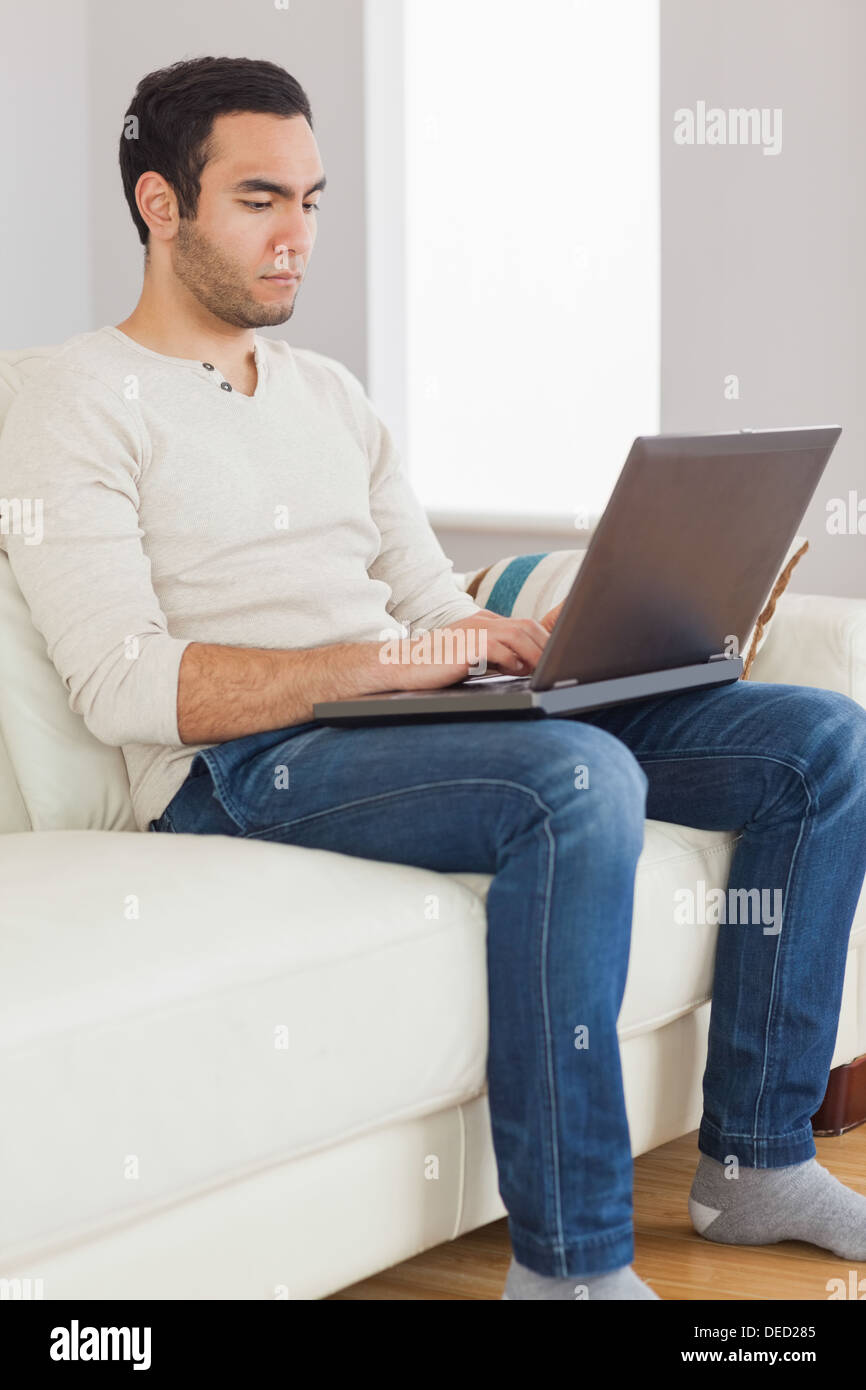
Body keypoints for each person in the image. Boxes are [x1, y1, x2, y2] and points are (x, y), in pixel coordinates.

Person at [2, 56, 866, 1301]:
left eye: (312, 198)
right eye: (259, 200)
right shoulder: (76, 403)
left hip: (400, 711)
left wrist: (548, 634)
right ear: (159, 204)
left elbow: (426, 601)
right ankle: (568, 1267)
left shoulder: (329, 395)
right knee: (574, 782)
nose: (297, 235)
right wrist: (406, 659)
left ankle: (753, 1160)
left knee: (818, 742)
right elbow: (129, 688)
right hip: (239, 767)